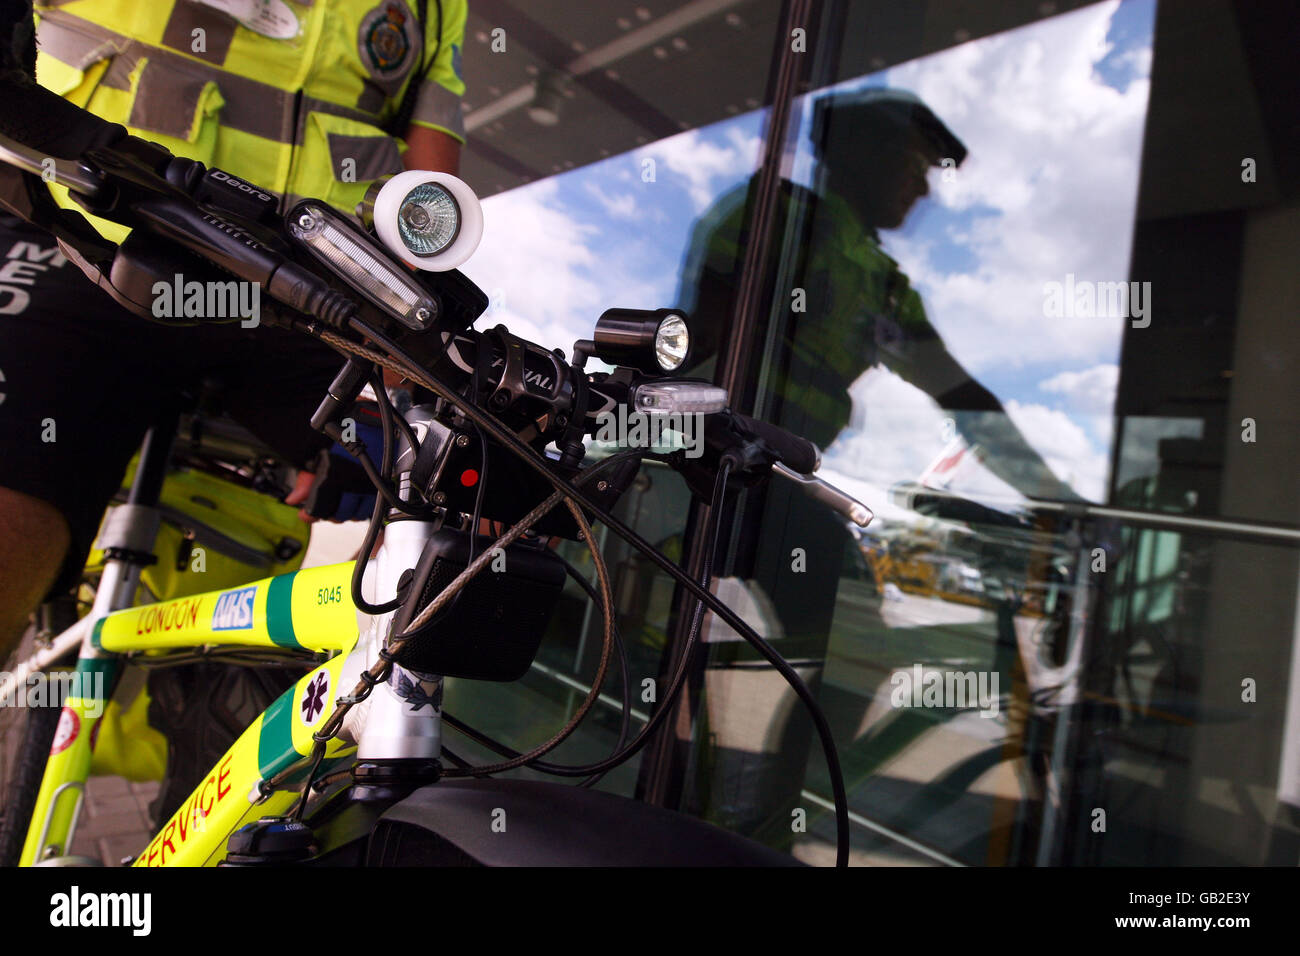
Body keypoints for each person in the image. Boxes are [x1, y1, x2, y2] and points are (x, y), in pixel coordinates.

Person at [0, 0, 468, 657]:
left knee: (446, 479)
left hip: (299, 301)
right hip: (89, 241)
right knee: (13, 493)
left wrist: (410, 345)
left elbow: (429, 157)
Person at [672, 87, 1077, 843]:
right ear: (858, 157)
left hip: (786, 479)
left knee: (857, 657)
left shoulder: (884, 283)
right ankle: (701, 816)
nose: (924, 186)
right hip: (711, 462)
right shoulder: (780, 216)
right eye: (911, 166)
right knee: (675, 653)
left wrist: (1051, 493)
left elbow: (963, 394)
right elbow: (696, 339)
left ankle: (757, 821)